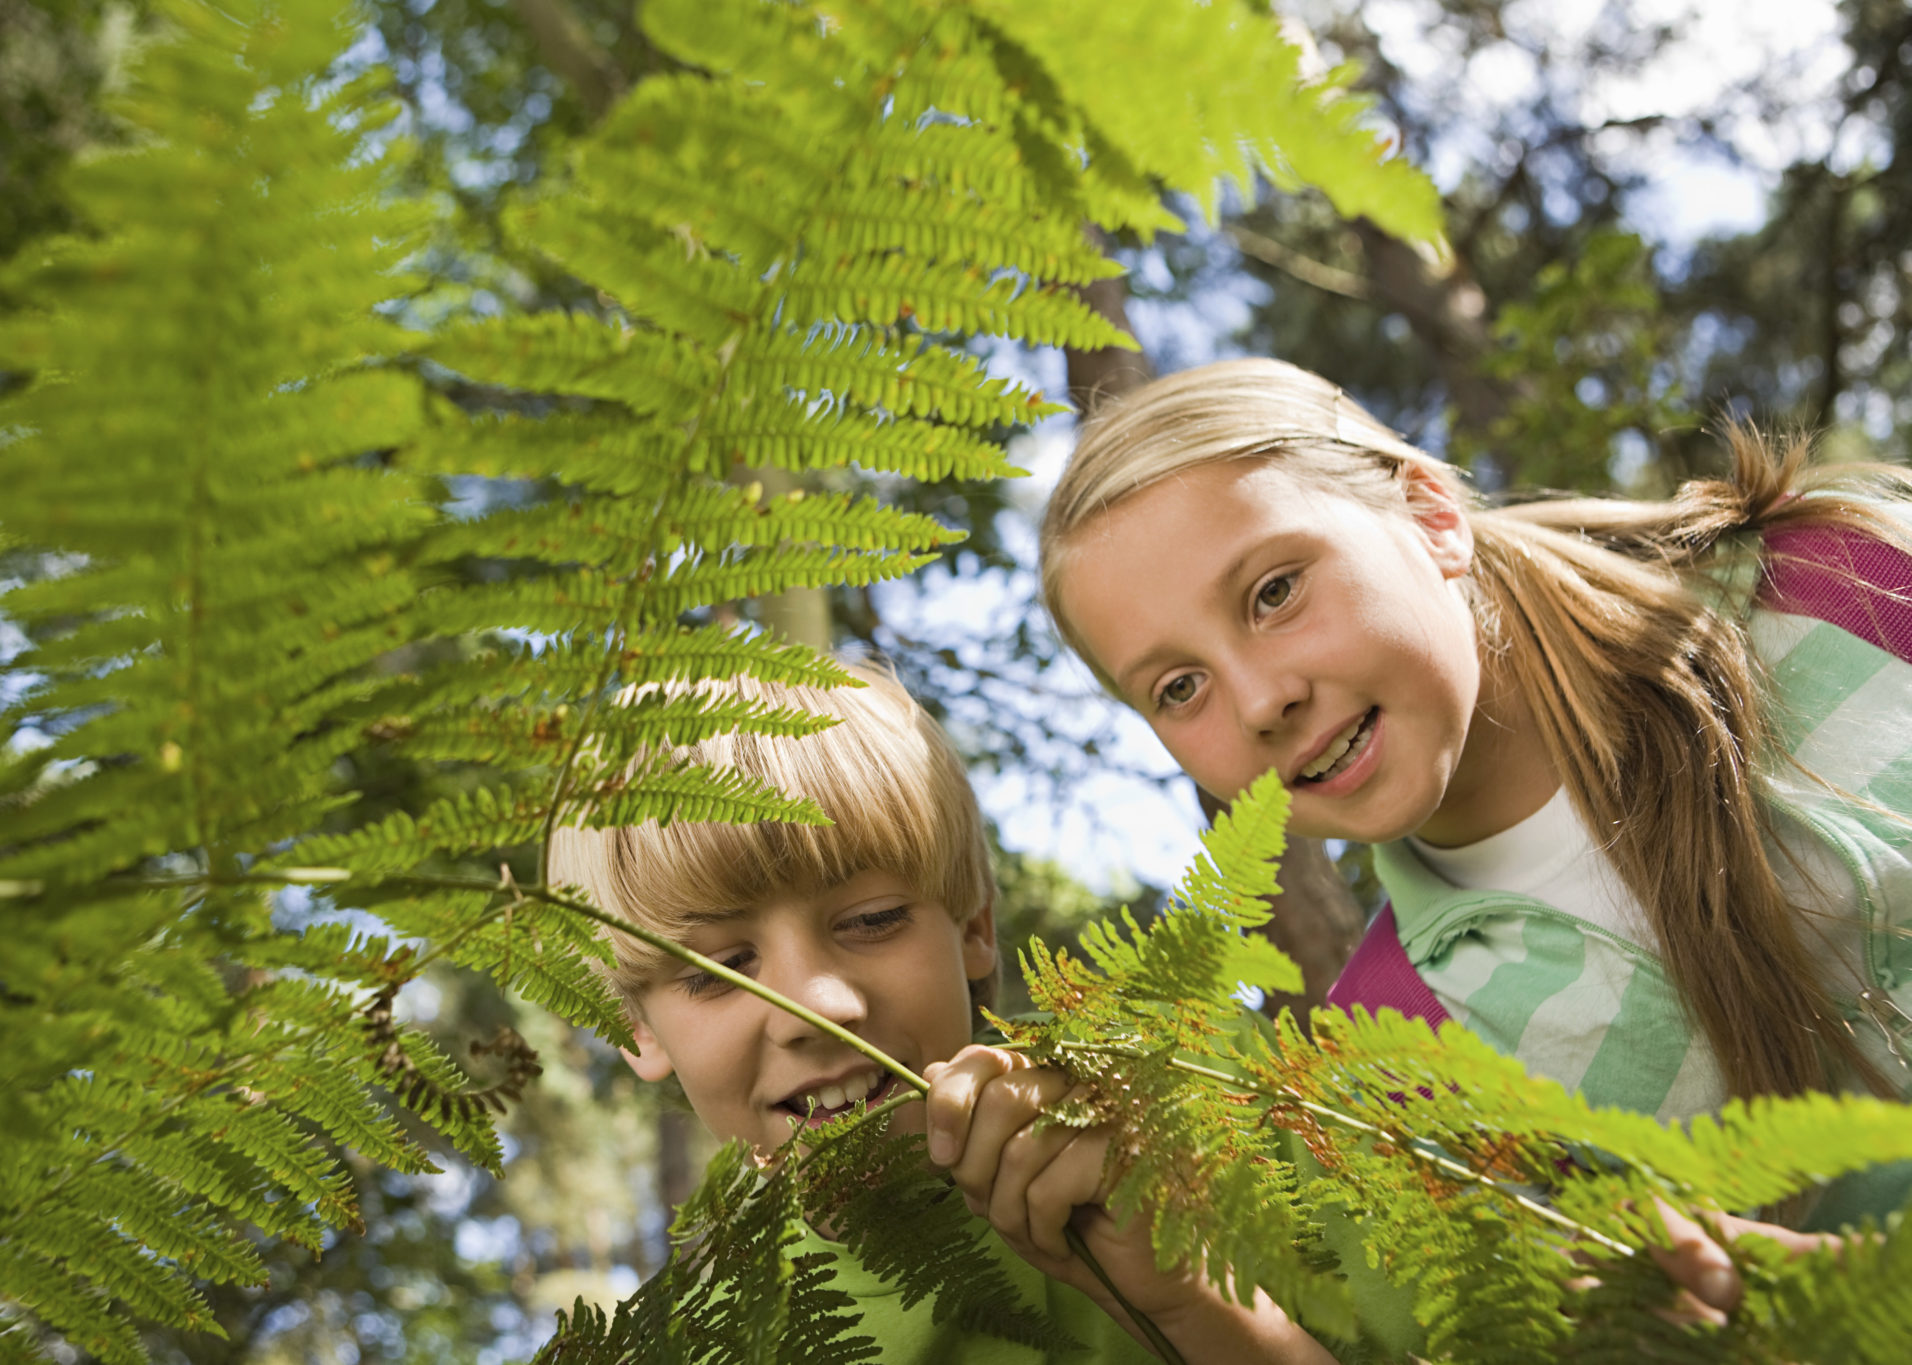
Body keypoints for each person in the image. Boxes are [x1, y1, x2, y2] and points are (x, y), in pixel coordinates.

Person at [1037, 356, 1912, 1251]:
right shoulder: (1392, 1058)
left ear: (1431, 517)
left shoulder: (1854, 583)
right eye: (1180, 687)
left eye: (1274, 592)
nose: (1261, 701)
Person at [554, 661, 1337, 1364]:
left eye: (871, 920)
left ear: (974, 928)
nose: (818, 1006)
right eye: (723, 968)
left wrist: (1191, 1299)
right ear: (635, 1029)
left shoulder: (1227, 1098)